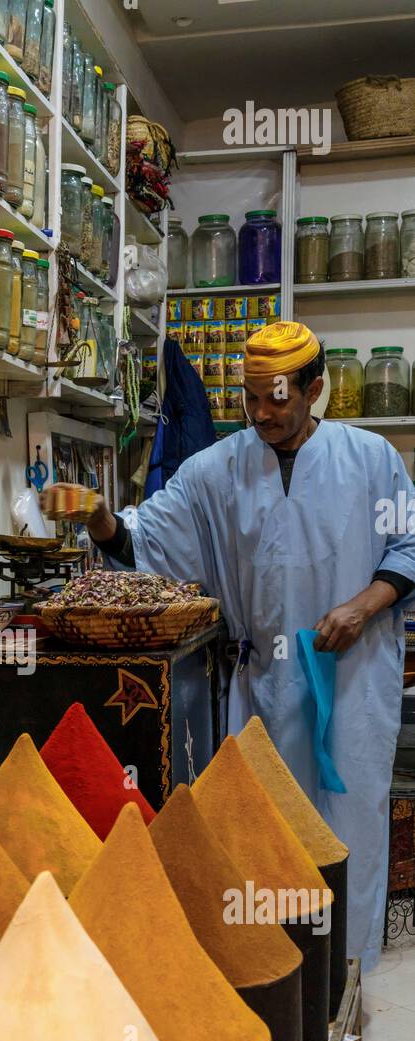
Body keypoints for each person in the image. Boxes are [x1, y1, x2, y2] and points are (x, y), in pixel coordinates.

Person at [66, 321, 415, 970]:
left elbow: (410, 546)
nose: (260, 413)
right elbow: (149, 542)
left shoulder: (371, 462)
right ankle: (273, 974)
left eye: (277, 397)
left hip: (351, 678)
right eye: (249, 398)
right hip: (261, 686)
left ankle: (345, 978)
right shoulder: (214, 472)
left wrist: (367, 605)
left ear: (313, 390)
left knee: (349, 830)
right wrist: (102, 520)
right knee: (258, 832)